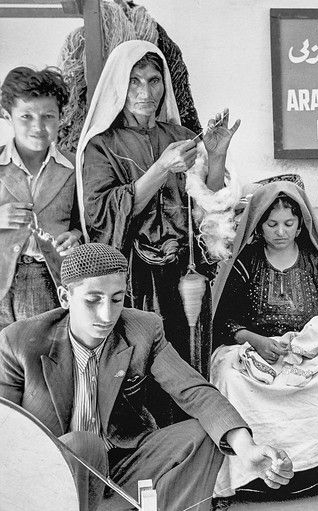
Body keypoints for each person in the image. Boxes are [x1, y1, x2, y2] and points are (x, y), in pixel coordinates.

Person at [0, 242, 294, 511]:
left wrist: (247, 448)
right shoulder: (20, 341)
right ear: (65, 296)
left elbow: (194, 391)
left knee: (204, 434)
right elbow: (7, 433)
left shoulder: (142, 328)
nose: (106, 314)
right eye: (92, 300)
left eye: (116, 300)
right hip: (52, 478)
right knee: (83, 445)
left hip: (121, 467)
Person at [209, 182, 318, 510]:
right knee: (227, 375)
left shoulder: (314, 262)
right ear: (259, 225)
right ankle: (234, 479)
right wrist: (254, 339)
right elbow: (224, 321)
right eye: (272, 224)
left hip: (311, 356)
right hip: (255, 354)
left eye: (288, 223)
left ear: (301, 225)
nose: (281, 232)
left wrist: (309, 344)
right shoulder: (247, 262)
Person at [75, 40, 240, 362]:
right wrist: (161, 168)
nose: (145, 93)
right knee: (140, 359)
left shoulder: (180, 136)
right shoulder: (101, 147)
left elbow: (208, 206)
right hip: (133, 276)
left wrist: (216, 157)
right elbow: (102, 216)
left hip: (185, 271)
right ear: (118, 86)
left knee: (188, 355)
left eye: (153, 80)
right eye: (134, 81)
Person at [0, 67, 82, 329]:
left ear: (61, 117)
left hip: (50, 282)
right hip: (2, 282)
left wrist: (76, 236)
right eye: (26, 116)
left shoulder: (75, 167)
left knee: (41, 363)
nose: (38, 126)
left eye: (48, 116)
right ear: (7, 116)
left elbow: (87, 222)